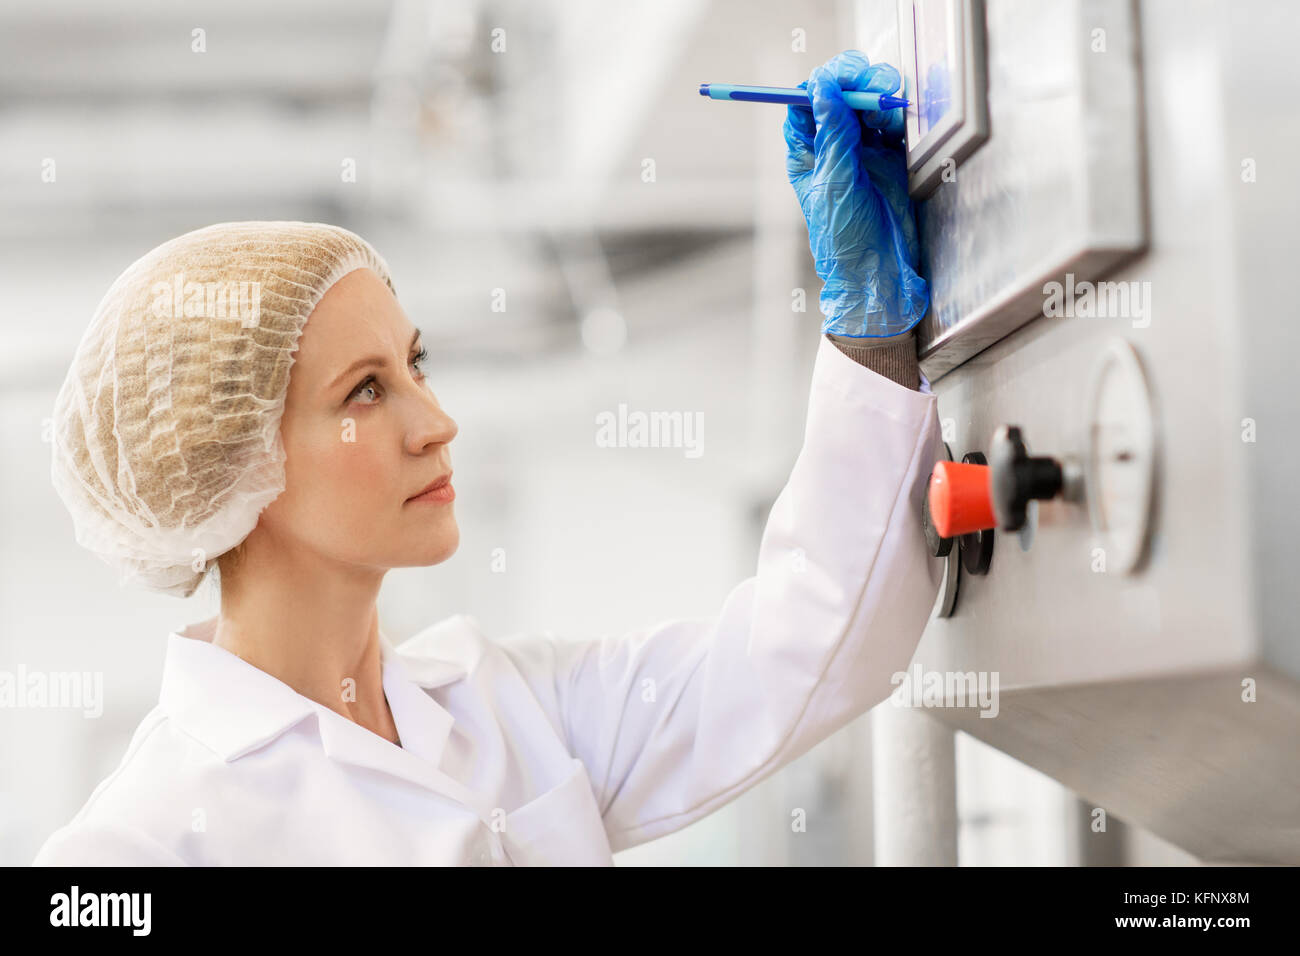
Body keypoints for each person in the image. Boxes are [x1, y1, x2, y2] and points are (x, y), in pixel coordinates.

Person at [33, 50, 940, 866]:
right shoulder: (139, 846)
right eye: (366, 390)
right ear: (235, 463)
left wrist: (867, 322)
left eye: (414, 364)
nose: (436, 422)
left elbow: (804, 652)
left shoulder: (507, 702)